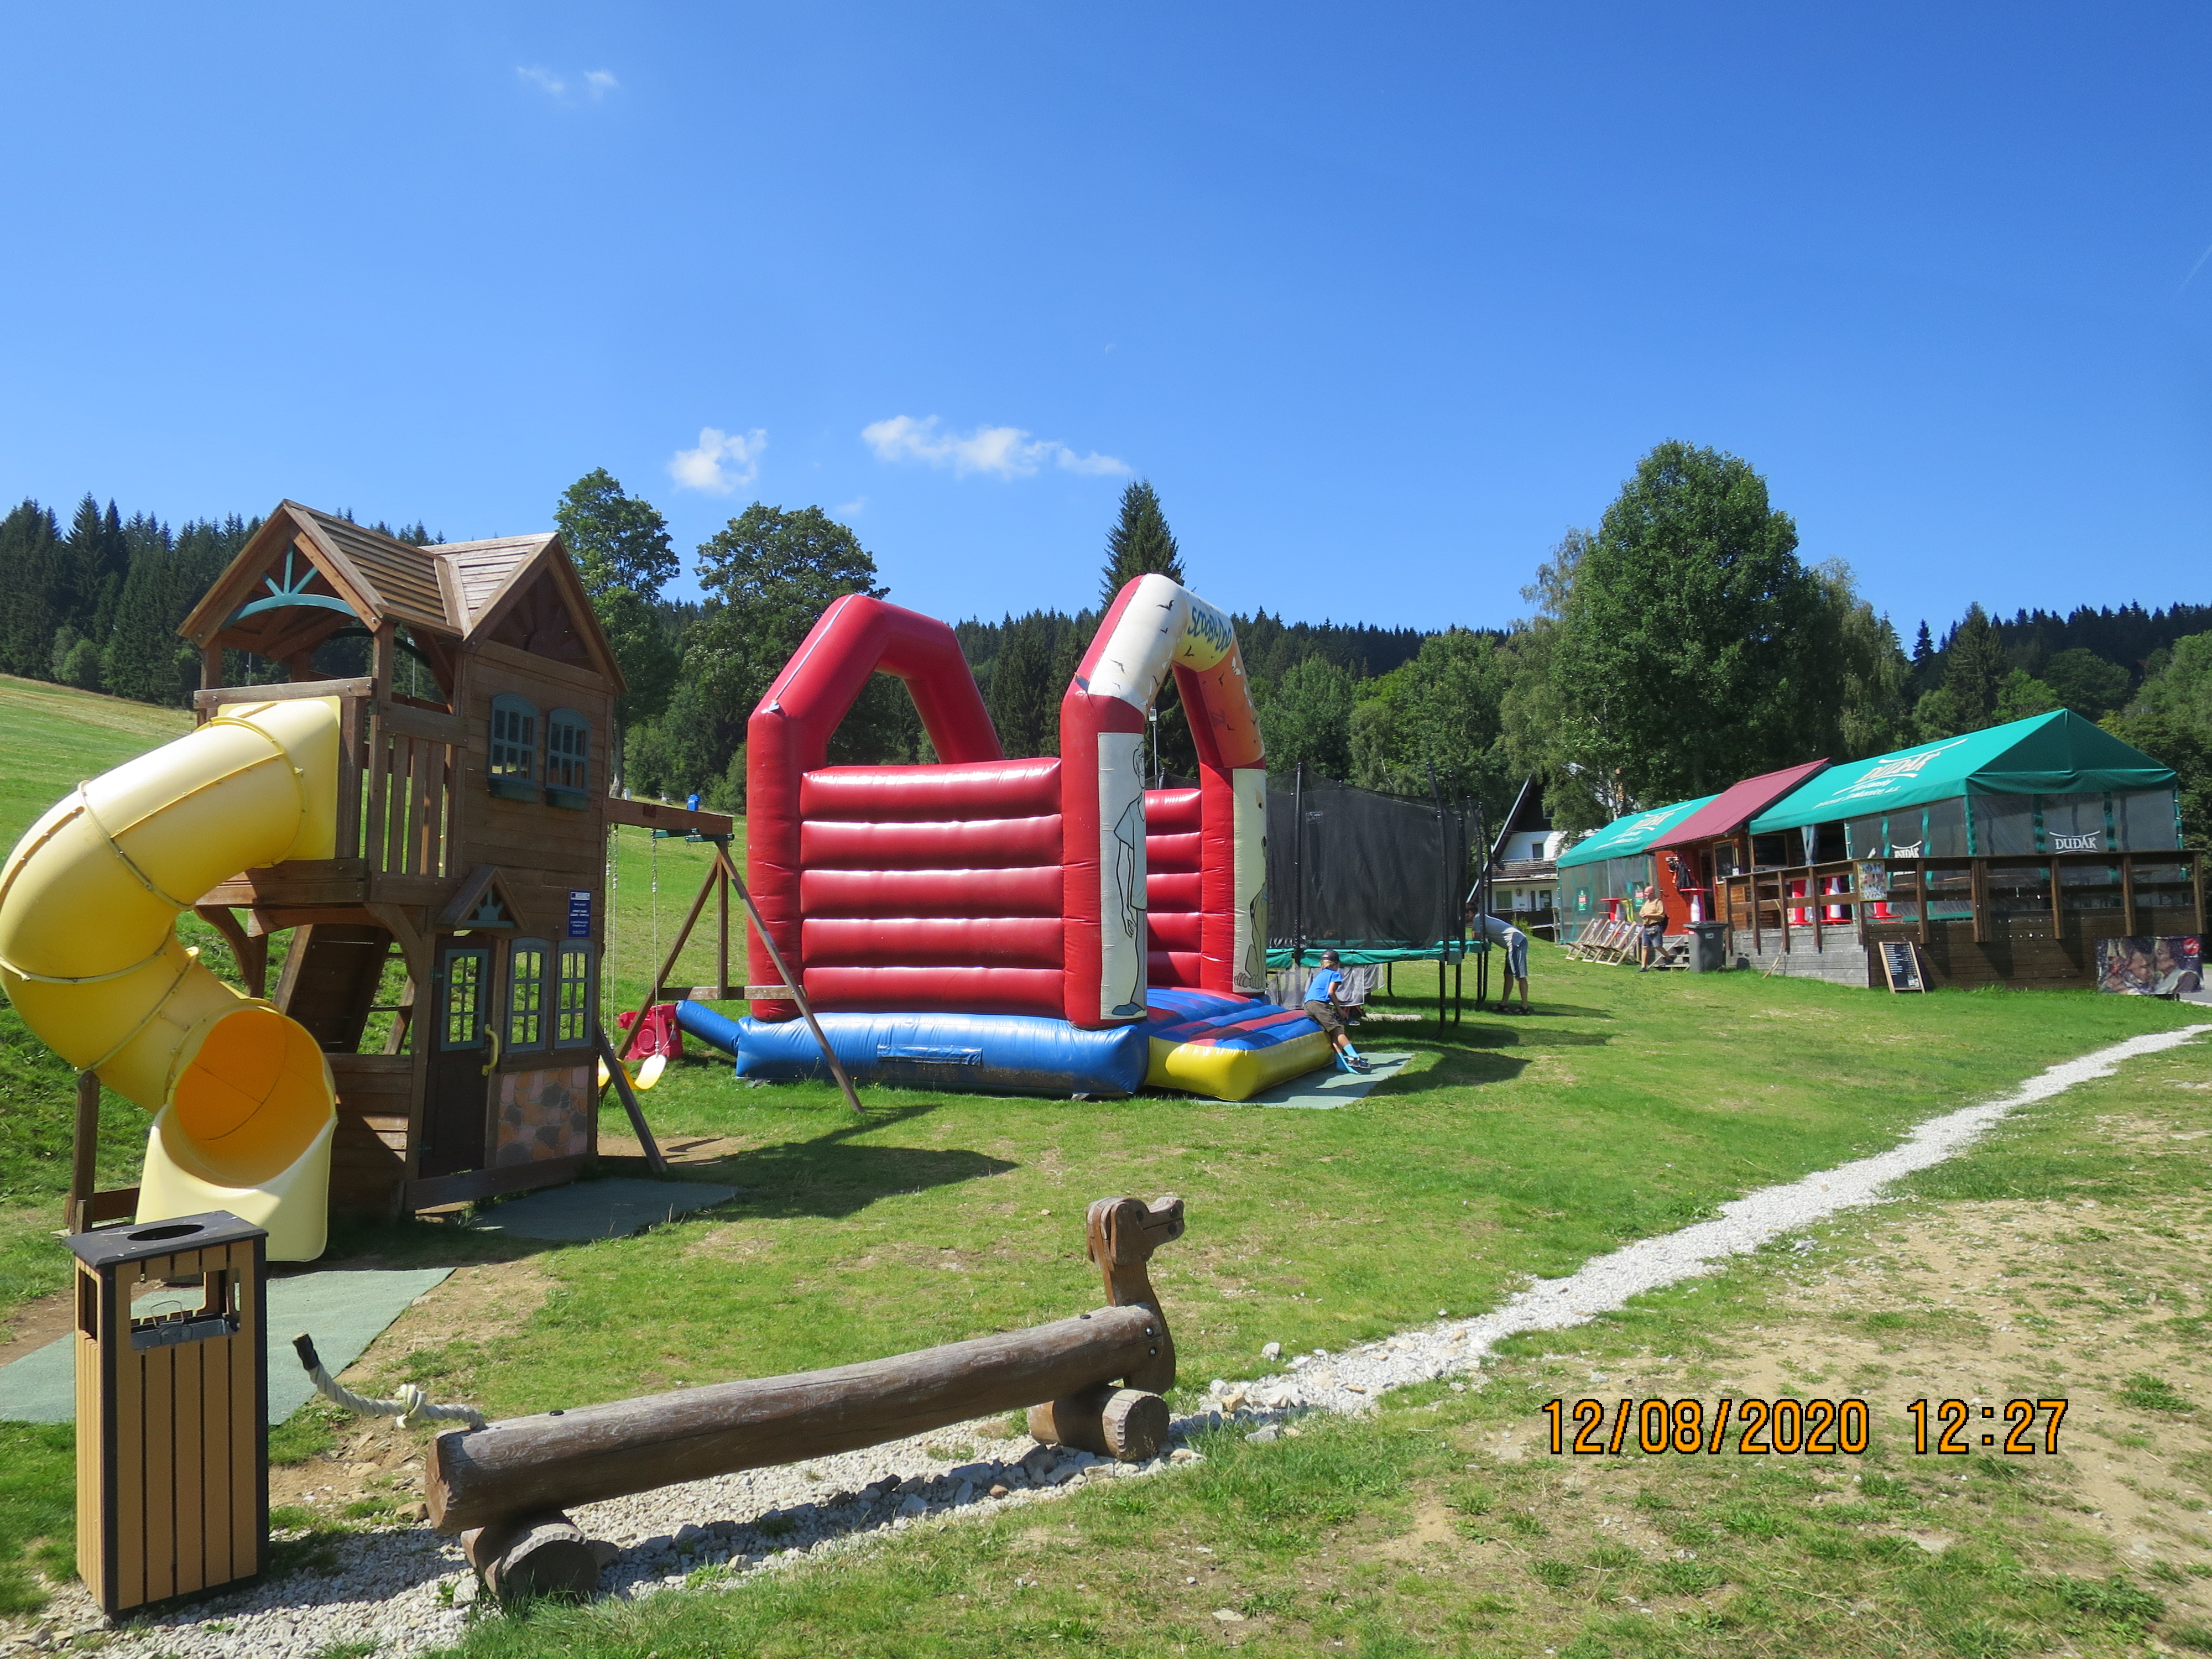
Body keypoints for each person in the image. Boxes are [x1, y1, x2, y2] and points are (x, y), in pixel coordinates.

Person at [1301, 951, 1372, 1073]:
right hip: (1318, 1005)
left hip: (1308, 1005)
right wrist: (1340, 1010)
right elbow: (1331, 992)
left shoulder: (1321, 974)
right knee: (1338, 1030)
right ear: (1336, 964)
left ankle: (1341, 1062)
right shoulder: (1335, 974)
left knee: (1333, 1032)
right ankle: (1354, 1057)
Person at [1467, 908, 1531, 1014]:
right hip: (1513, 943)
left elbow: (1476, 938)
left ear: (1470, 913)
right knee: (1508, 974)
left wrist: (1473, 929)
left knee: (1520, 975)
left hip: (1516, 943)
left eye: (1465, 915)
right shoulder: (1482, 917)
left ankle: (1525, 1007)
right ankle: (1503, 1004)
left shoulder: (1478, 919)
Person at [1636, 884, 1669, 972]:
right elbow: (1641, 912)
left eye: (1647, 893)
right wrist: (1642, 915)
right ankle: (1644, 967)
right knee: (1645, 947)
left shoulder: (1658, 902)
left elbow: (1661, 915)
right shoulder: (1646, 903)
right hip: (1647, 927)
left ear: (1652, 893)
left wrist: (1649, 915)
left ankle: (1668, 958)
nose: (1645, 894)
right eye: (1645, 893)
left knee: (1657, 946)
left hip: (1656, 926)